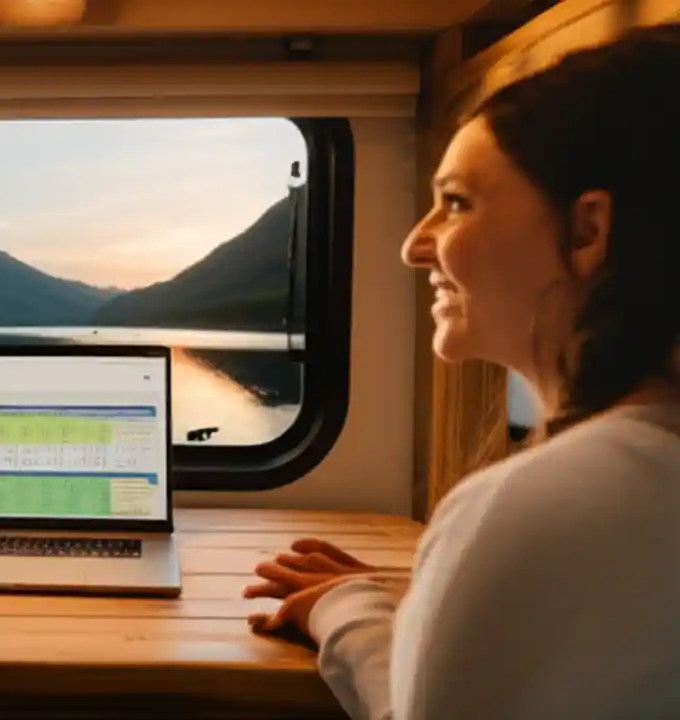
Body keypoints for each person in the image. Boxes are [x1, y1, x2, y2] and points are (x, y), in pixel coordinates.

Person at [244, 23, 680, 720]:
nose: (416, 246)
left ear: (588, 232)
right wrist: (427, 601)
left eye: (455, 202)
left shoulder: (533, 507)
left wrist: (349, 609)